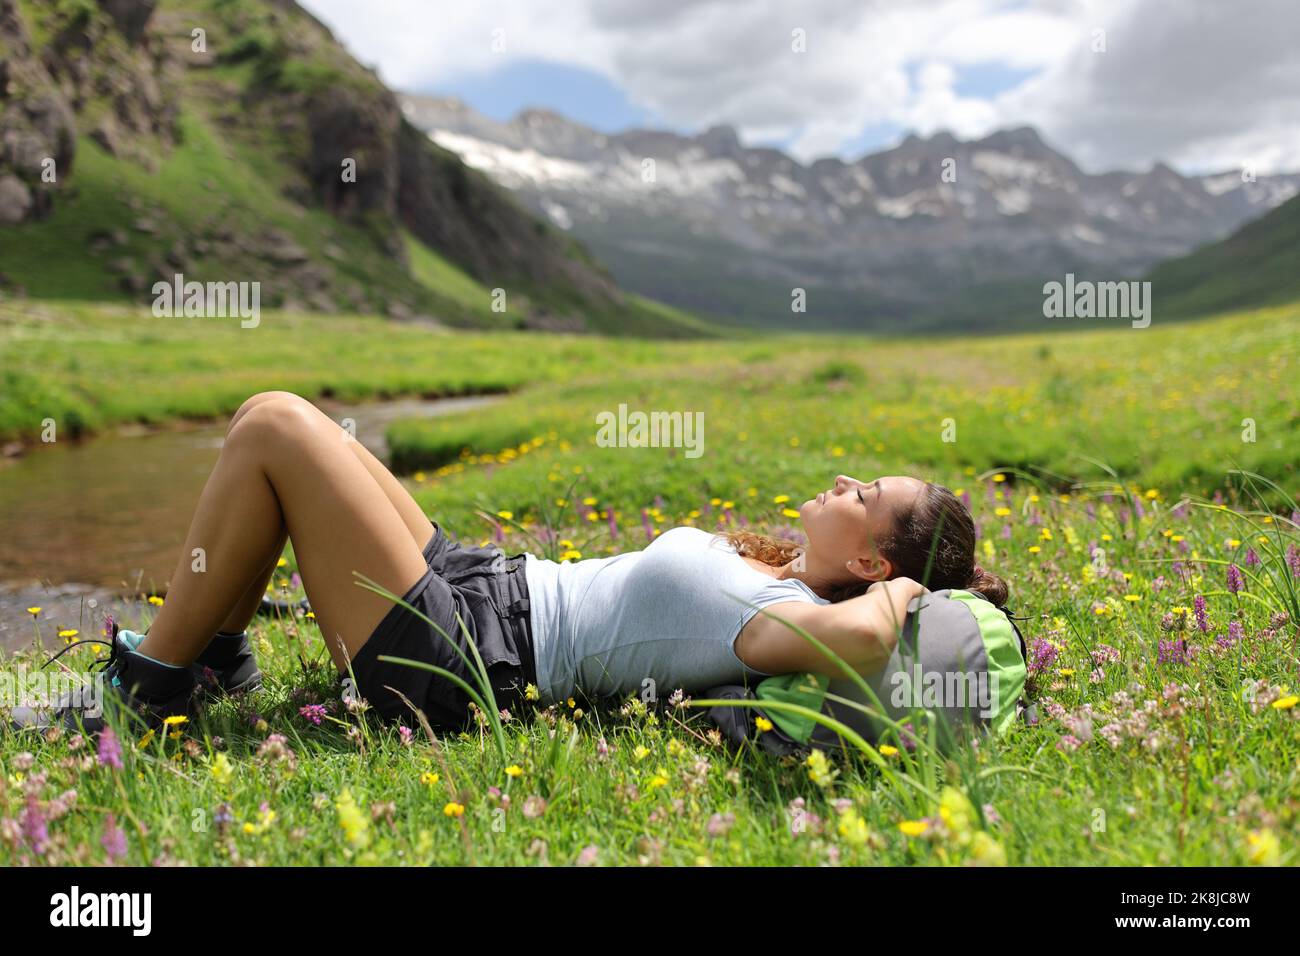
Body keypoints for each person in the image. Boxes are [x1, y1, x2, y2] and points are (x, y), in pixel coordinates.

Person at [9, 391, 1019, 740]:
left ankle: (143, 697)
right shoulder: (781, 573)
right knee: (283, 435)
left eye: (864, 496)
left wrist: (905, 590)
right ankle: (214, 657)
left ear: (872, 553)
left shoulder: (773, 615)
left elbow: (863, 636)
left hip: (464, 660)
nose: (843, 480)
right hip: (483, 583)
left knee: (278, 425)